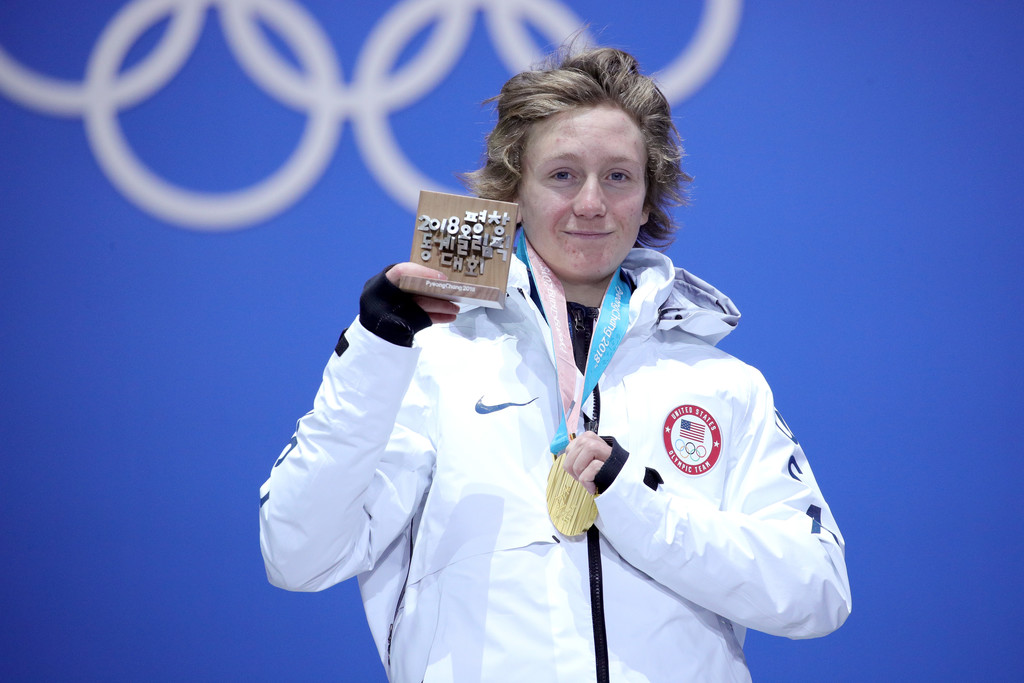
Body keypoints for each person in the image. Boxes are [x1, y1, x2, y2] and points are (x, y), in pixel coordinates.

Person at [259, 46, 851, 682]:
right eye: (563, 175)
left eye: (618, 176)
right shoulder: (428, 360)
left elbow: (817, 591)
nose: (591, 203)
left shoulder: (723, 383)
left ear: (648, 198)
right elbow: (298, 556)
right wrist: (375, 349)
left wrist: (637, 504)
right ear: (514, 191)